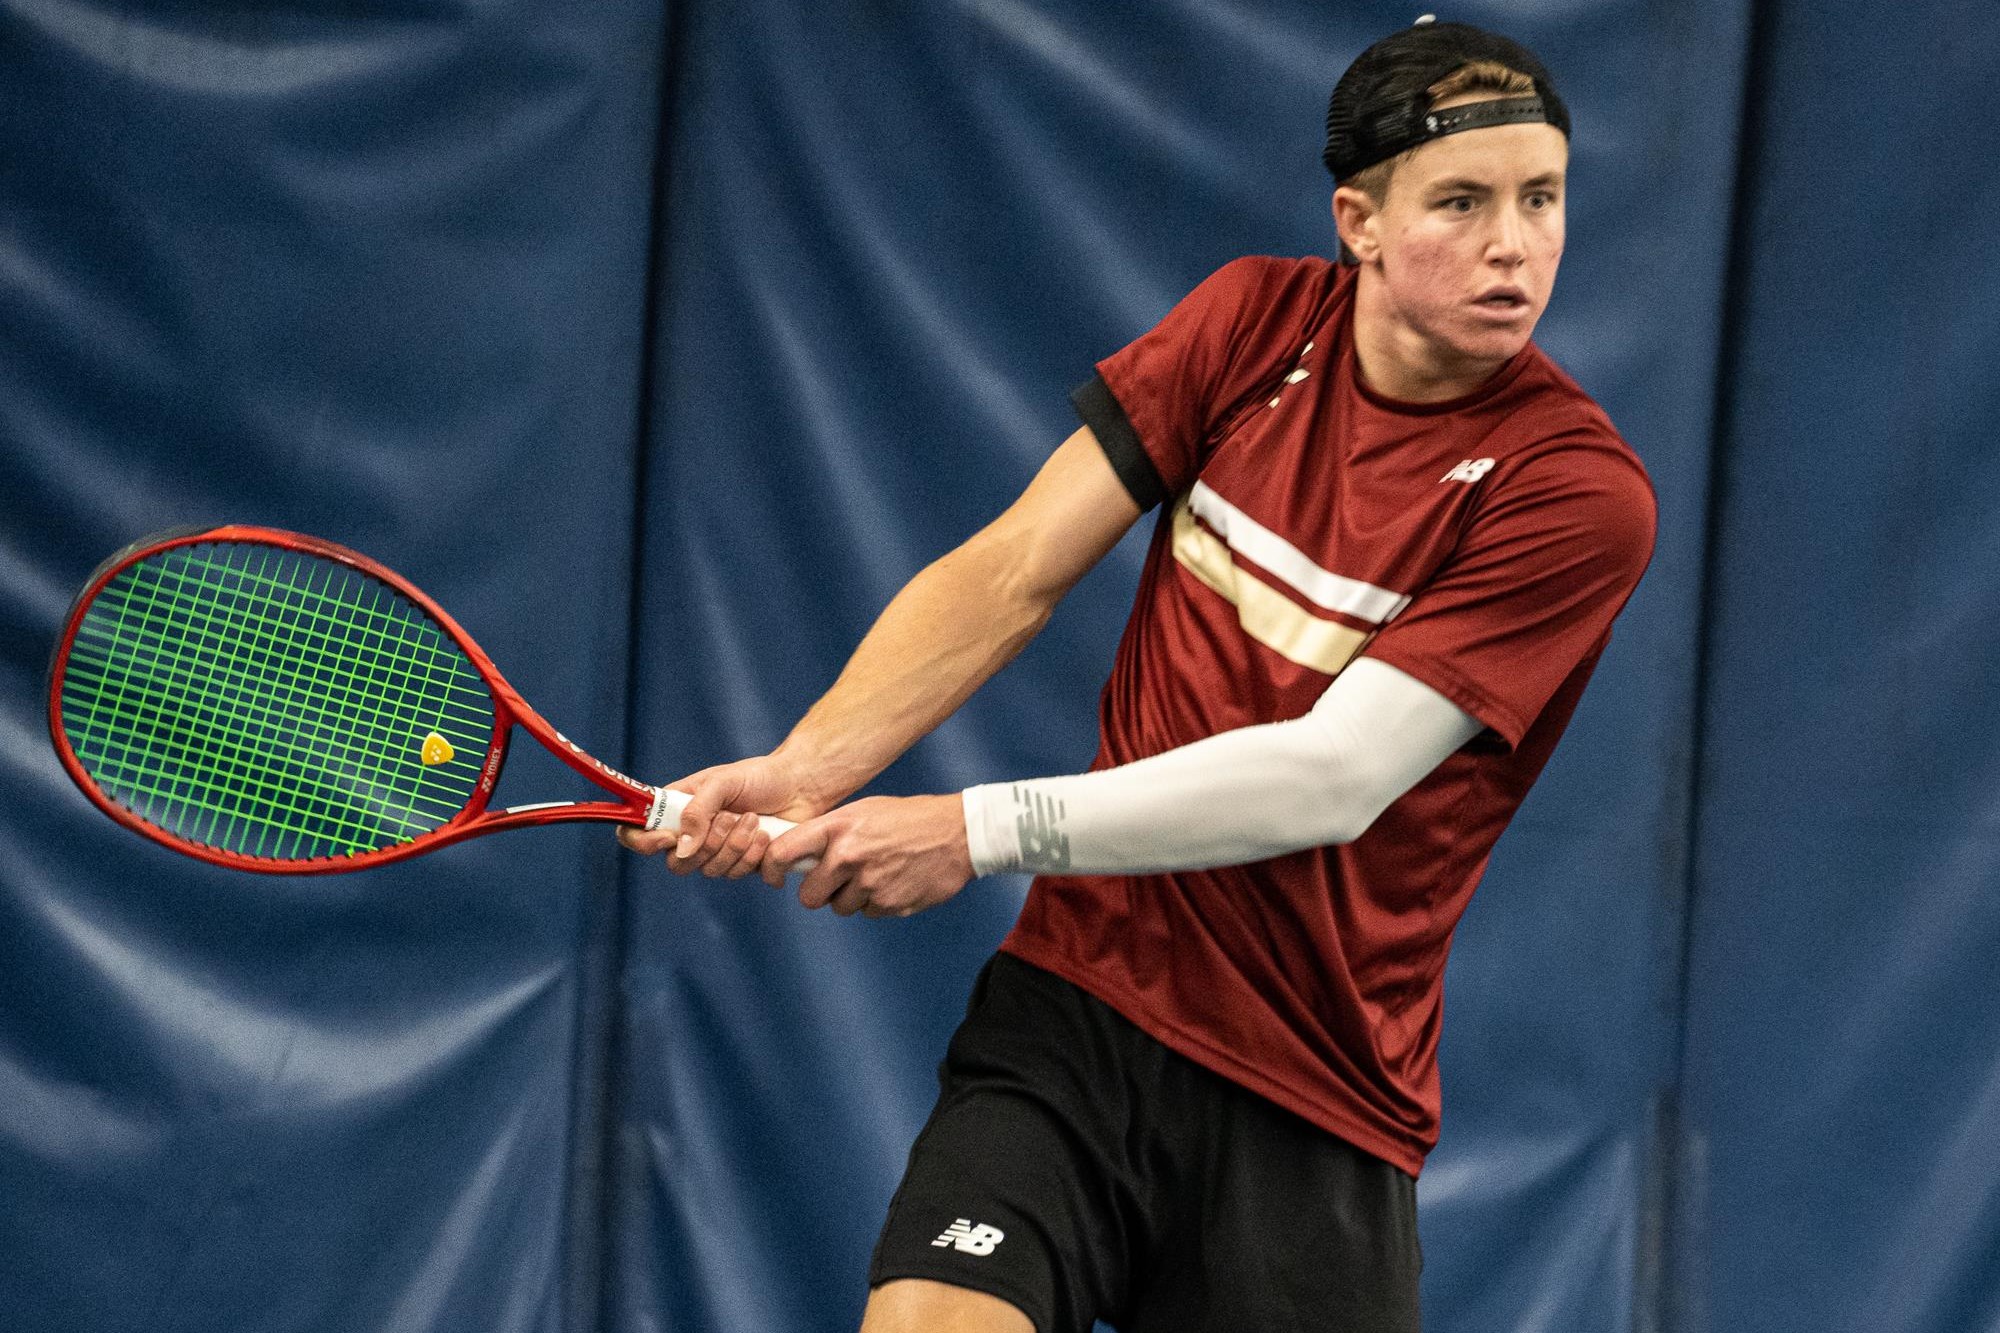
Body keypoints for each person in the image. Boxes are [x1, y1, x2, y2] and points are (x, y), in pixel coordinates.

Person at [620, 17, 1656, 1333]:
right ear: (1361, 220)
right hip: (1081, 1010)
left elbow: (1332, 778)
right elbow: (1013, 569)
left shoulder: (1573, 494)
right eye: (1462, 200)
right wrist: (804, 765)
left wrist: (971, 827)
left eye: (1543, 197)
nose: (1517, 243)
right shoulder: (1249, 328)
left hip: (1315, 1094)